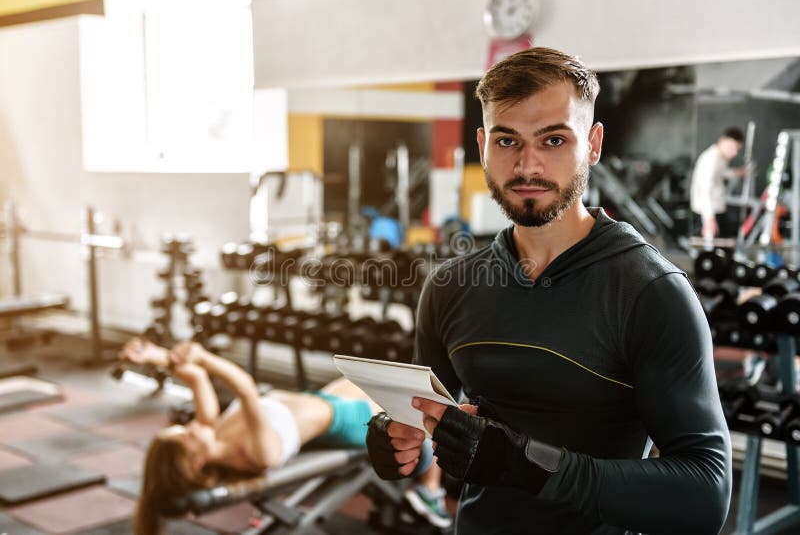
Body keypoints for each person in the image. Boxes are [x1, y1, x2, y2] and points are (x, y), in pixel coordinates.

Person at [365, 47, 732, 534]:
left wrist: (531, 466)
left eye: (554, 139)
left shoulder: (652, 293)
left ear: (593, 144)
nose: (528, 166)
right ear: (482, 146)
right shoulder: (451, 286)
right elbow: (421, 416)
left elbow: (706, 493)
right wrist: (391, 438)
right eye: (507, 141)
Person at [120, 338, 452, 534]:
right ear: (198, 460)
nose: (193, 425)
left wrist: (152, 356)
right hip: (346, 419)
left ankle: (426, 485)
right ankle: (430, 490)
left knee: (420, 391)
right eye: (187, 433)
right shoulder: (256, 452)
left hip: (323, 400)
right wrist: (205, 356)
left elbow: (194, 378)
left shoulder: (211, 432)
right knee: (431, 401)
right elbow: (246, 389)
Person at [689, 127, 750, 239]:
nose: (735, 153)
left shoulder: (719, 158)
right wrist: (709, 219)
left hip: (713, 210)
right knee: (709, 252)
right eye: (733, 147)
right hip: (707, 213)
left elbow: (721, 172)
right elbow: (705, 189)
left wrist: (738, 172)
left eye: (737, 149)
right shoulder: (711, 159)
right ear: (722, 141)